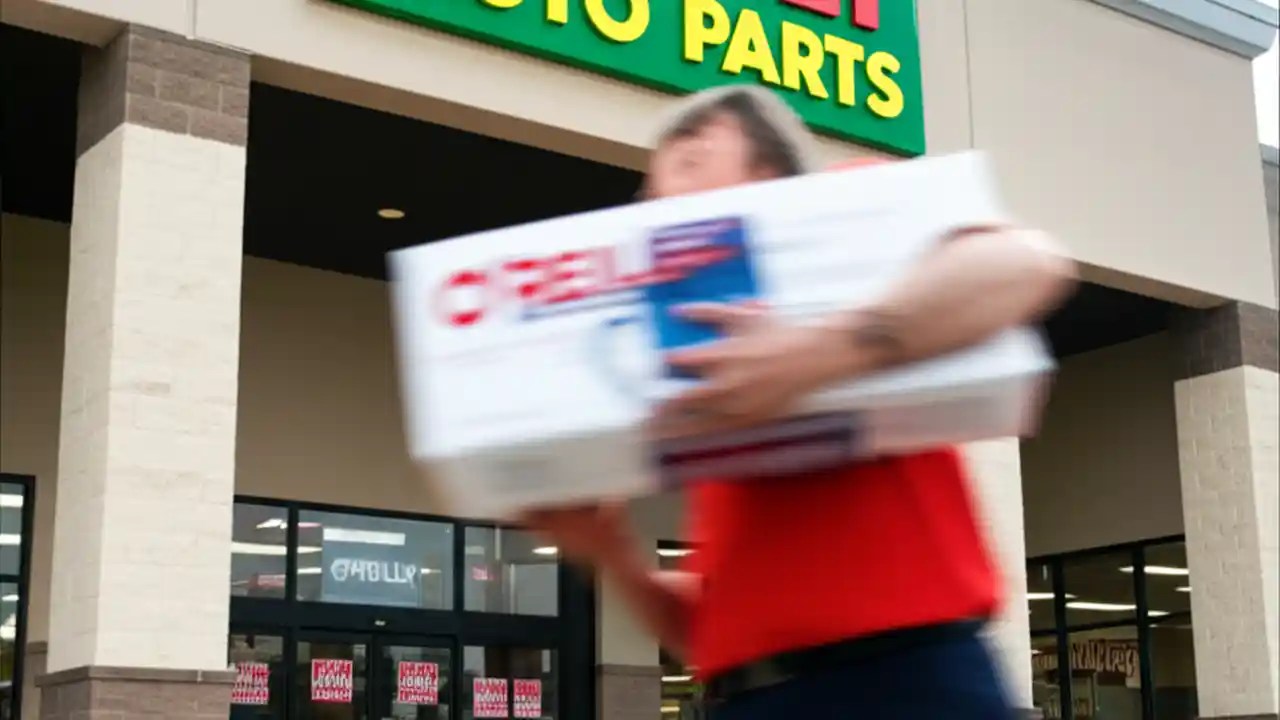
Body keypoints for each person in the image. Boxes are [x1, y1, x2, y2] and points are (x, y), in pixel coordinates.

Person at [526, 85, 1077, 719]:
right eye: (651, 189)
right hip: (748, 699)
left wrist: (817, 353)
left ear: (770, 174)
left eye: (691, 158)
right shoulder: (717, 386)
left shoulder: (844, 216)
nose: (655, 201)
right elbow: (703, 631)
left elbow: (1027, 264)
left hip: (904, 682)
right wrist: (610, 550)